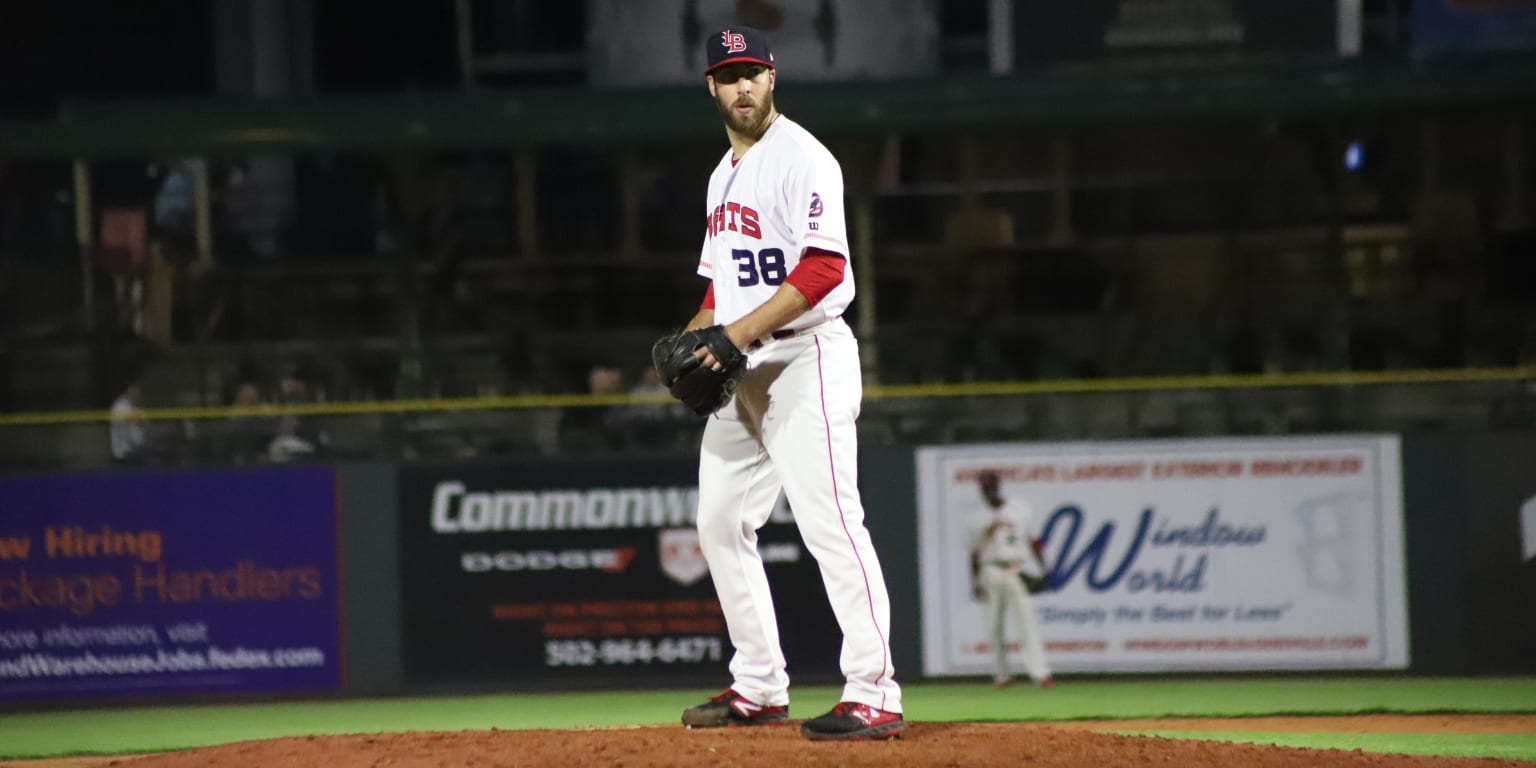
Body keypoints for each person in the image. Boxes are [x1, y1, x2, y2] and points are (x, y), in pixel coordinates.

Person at [673, 27, 903, 741]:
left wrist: (733, 337)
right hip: (744, 370)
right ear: (711, 87)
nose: (742, 86)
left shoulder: (803, 157)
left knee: (832, 525)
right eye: (728, 75)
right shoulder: (722, 174)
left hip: (807, 360)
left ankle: (874, 692)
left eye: (753, 72)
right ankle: (760, 686)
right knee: (717, 523)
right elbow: (719, 286)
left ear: (773, 78)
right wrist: (695, 341)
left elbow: (824, 270)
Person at [969, 469, 1055, 689]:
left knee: (1027, 622)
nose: (988, 491)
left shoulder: (1019, 509)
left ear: (998, 486)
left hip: (1015, 569)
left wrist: (1044, 569)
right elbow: (975, 552)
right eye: (984, 487)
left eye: (991, 486)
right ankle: (1002, 675)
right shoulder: (978, 516)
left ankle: (1040, 673)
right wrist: (975, 582)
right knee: (994, 625)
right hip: (990, 570)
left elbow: (1034, 541)